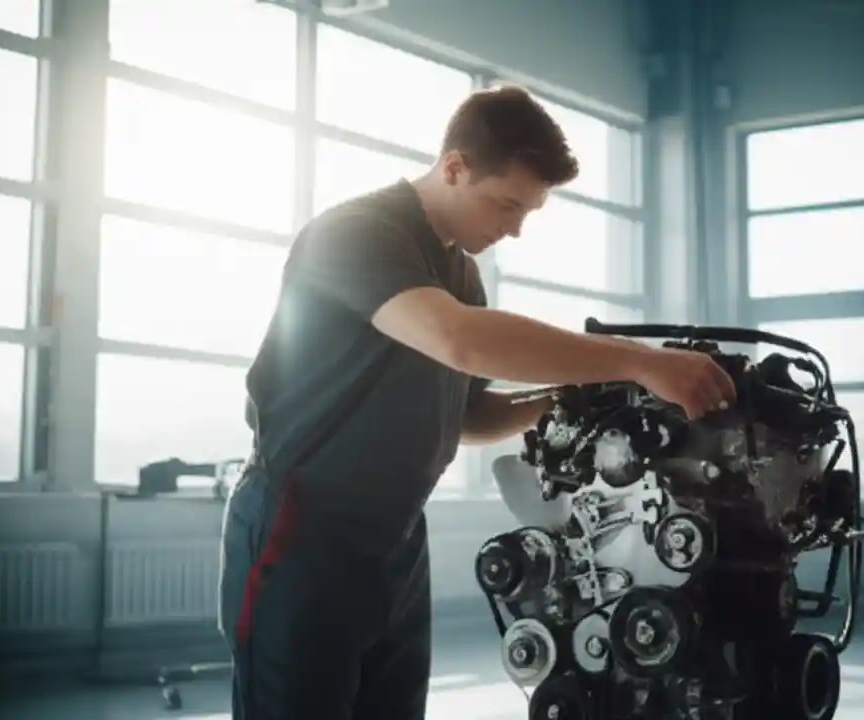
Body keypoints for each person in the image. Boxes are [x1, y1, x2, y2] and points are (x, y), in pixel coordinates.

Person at [219, 84, 737, 720]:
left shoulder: (458, 271)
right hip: (302, 529)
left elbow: (467, 416)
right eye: (506, 205)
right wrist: (638, 359)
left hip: (396, 539)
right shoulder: (358, 233)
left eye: (527, 213)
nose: (514, 229)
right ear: (455, 168)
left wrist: (570, 399)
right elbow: (459, 340)